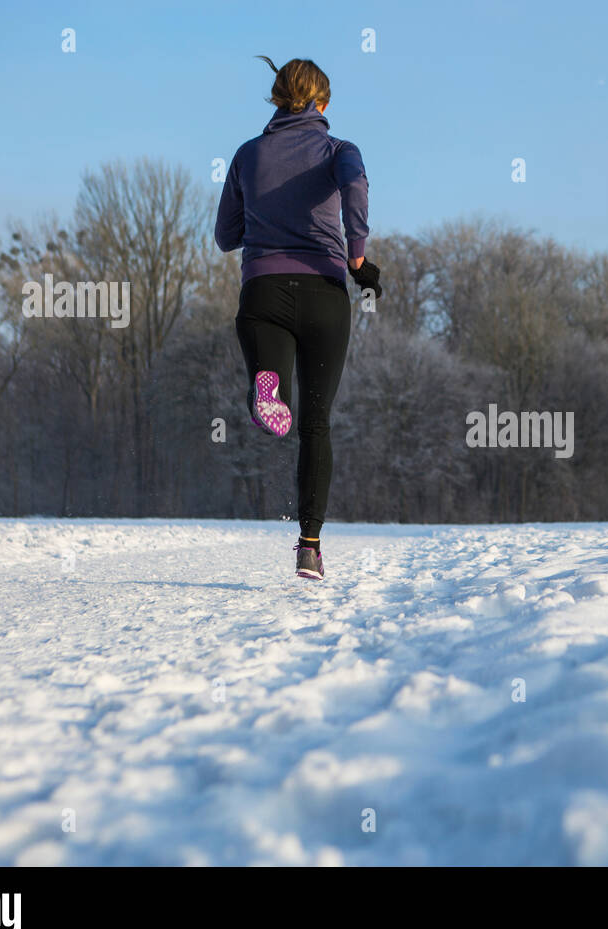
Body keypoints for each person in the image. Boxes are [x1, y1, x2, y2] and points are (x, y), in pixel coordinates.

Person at [215, 56, 382, 580]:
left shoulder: (247, 154)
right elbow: (355, 185)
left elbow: (225, 236)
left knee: (271, 375)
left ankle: (267, 386)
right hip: (325, 297)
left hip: (263, 291)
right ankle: (309, 546)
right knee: (316, 424)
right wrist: (357, 256)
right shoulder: (339, 150)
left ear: (277, 100)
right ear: (323, 104)